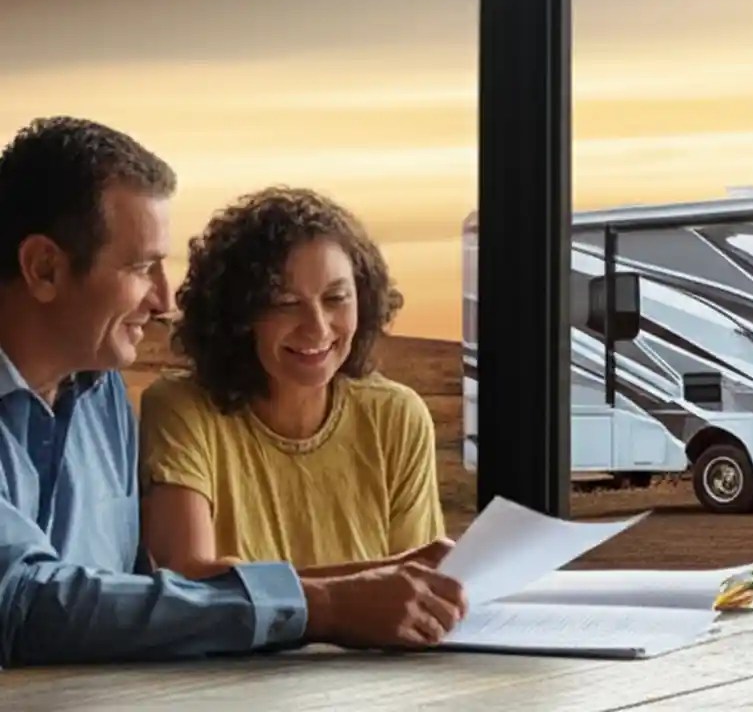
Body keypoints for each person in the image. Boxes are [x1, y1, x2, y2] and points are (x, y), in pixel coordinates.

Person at [0, 116, 465, 668]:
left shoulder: (101, 398)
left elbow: (139, 596)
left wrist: (369, 583)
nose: (163, 300)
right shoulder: (167, 405)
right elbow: (23, 606)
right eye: (142, 267)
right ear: (44, 268)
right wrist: (327, 606)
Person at [137, 185, 448, 581]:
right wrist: (363, 595)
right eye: (285, 303)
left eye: (336, 298)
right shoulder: (183, 409)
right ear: (238, 314)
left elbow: (420, 588)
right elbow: (188, 581)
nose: (317, 328)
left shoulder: (397, 416)